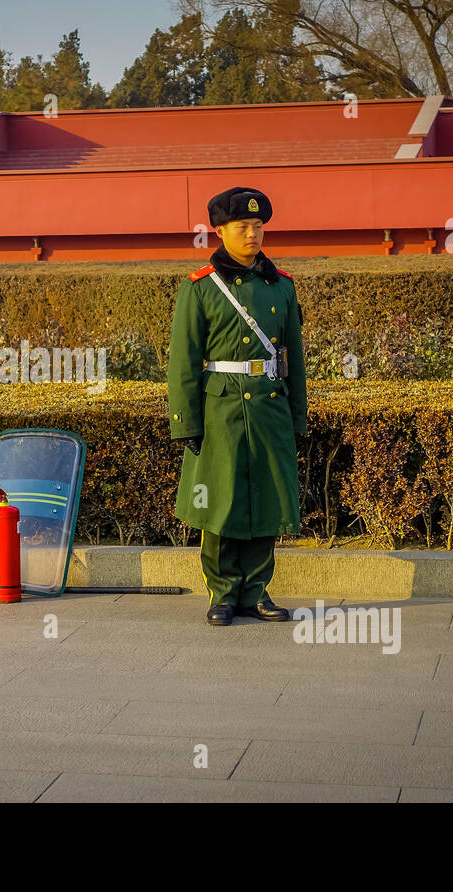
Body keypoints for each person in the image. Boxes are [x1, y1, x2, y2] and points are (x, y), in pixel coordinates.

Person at [167, 187, 308, 626]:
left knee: (266, 500)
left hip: (269, 408)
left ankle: (257, 592)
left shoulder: (282, 287)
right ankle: (223, 593)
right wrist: (186, 422)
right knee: (220, 504)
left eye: (258, 226)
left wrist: (298, 416)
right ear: (220, 231)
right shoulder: (201, 288)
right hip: (220, 411)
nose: (252, 234)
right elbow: (184, 360)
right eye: (242, 227)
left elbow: (294, 359)